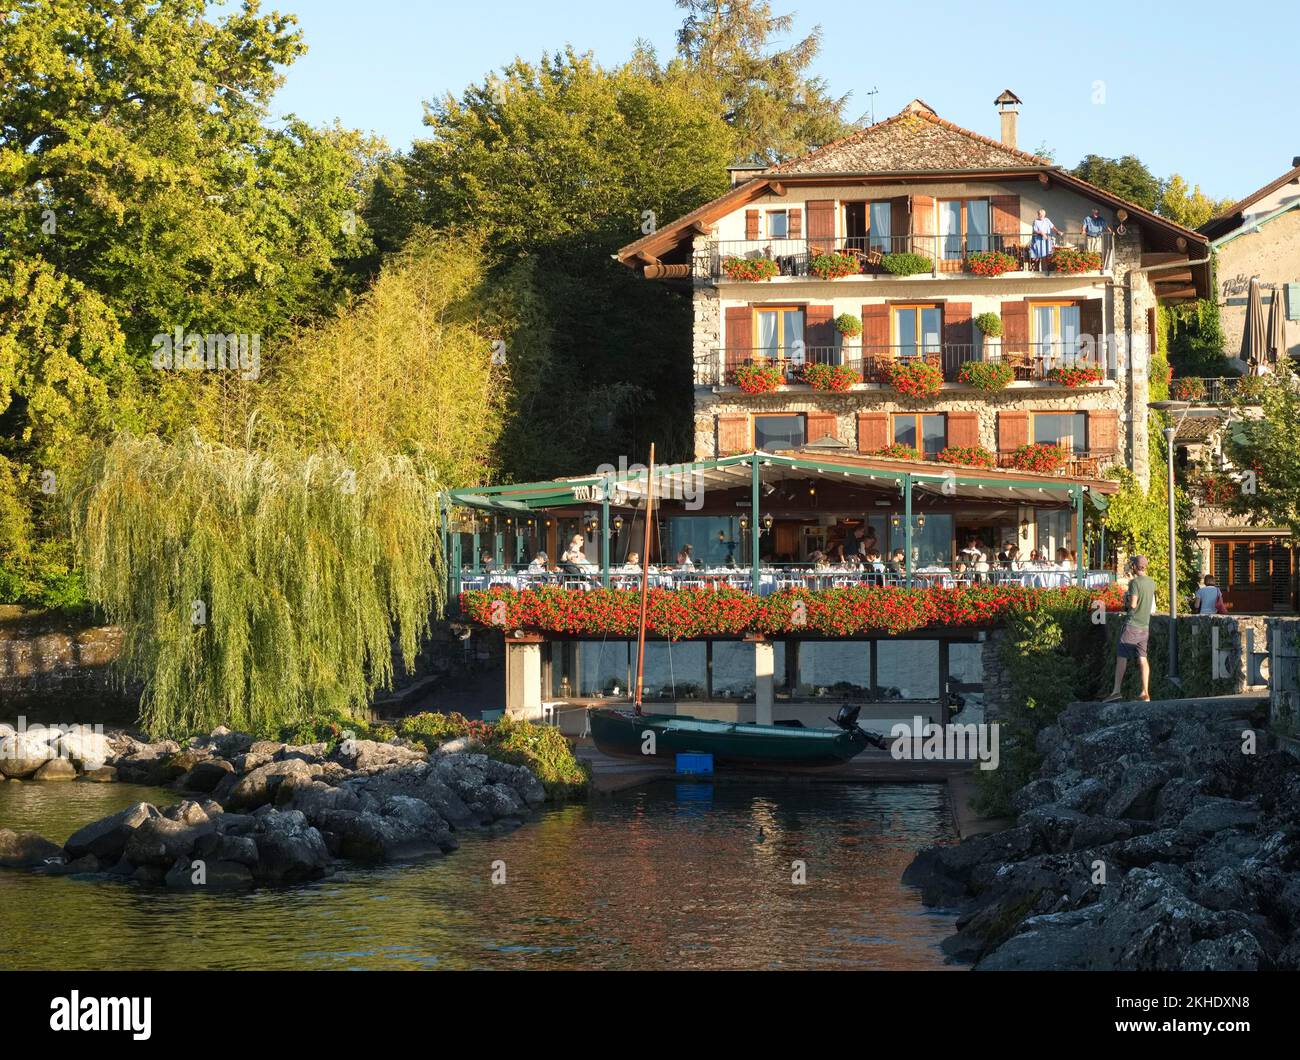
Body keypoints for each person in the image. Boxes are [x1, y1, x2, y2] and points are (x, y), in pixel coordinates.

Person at [1105, 555, 1157, 702]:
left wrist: (1126, 600)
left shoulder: (1134, 582)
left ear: (1135, 566)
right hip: (1144, 626)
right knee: (1143, 658)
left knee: (1122, 656)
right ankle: (1145, 692)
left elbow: (1133, 604)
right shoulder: (1152, 582)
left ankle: (1116, 691)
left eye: (1132, 564)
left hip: (1132, 624)